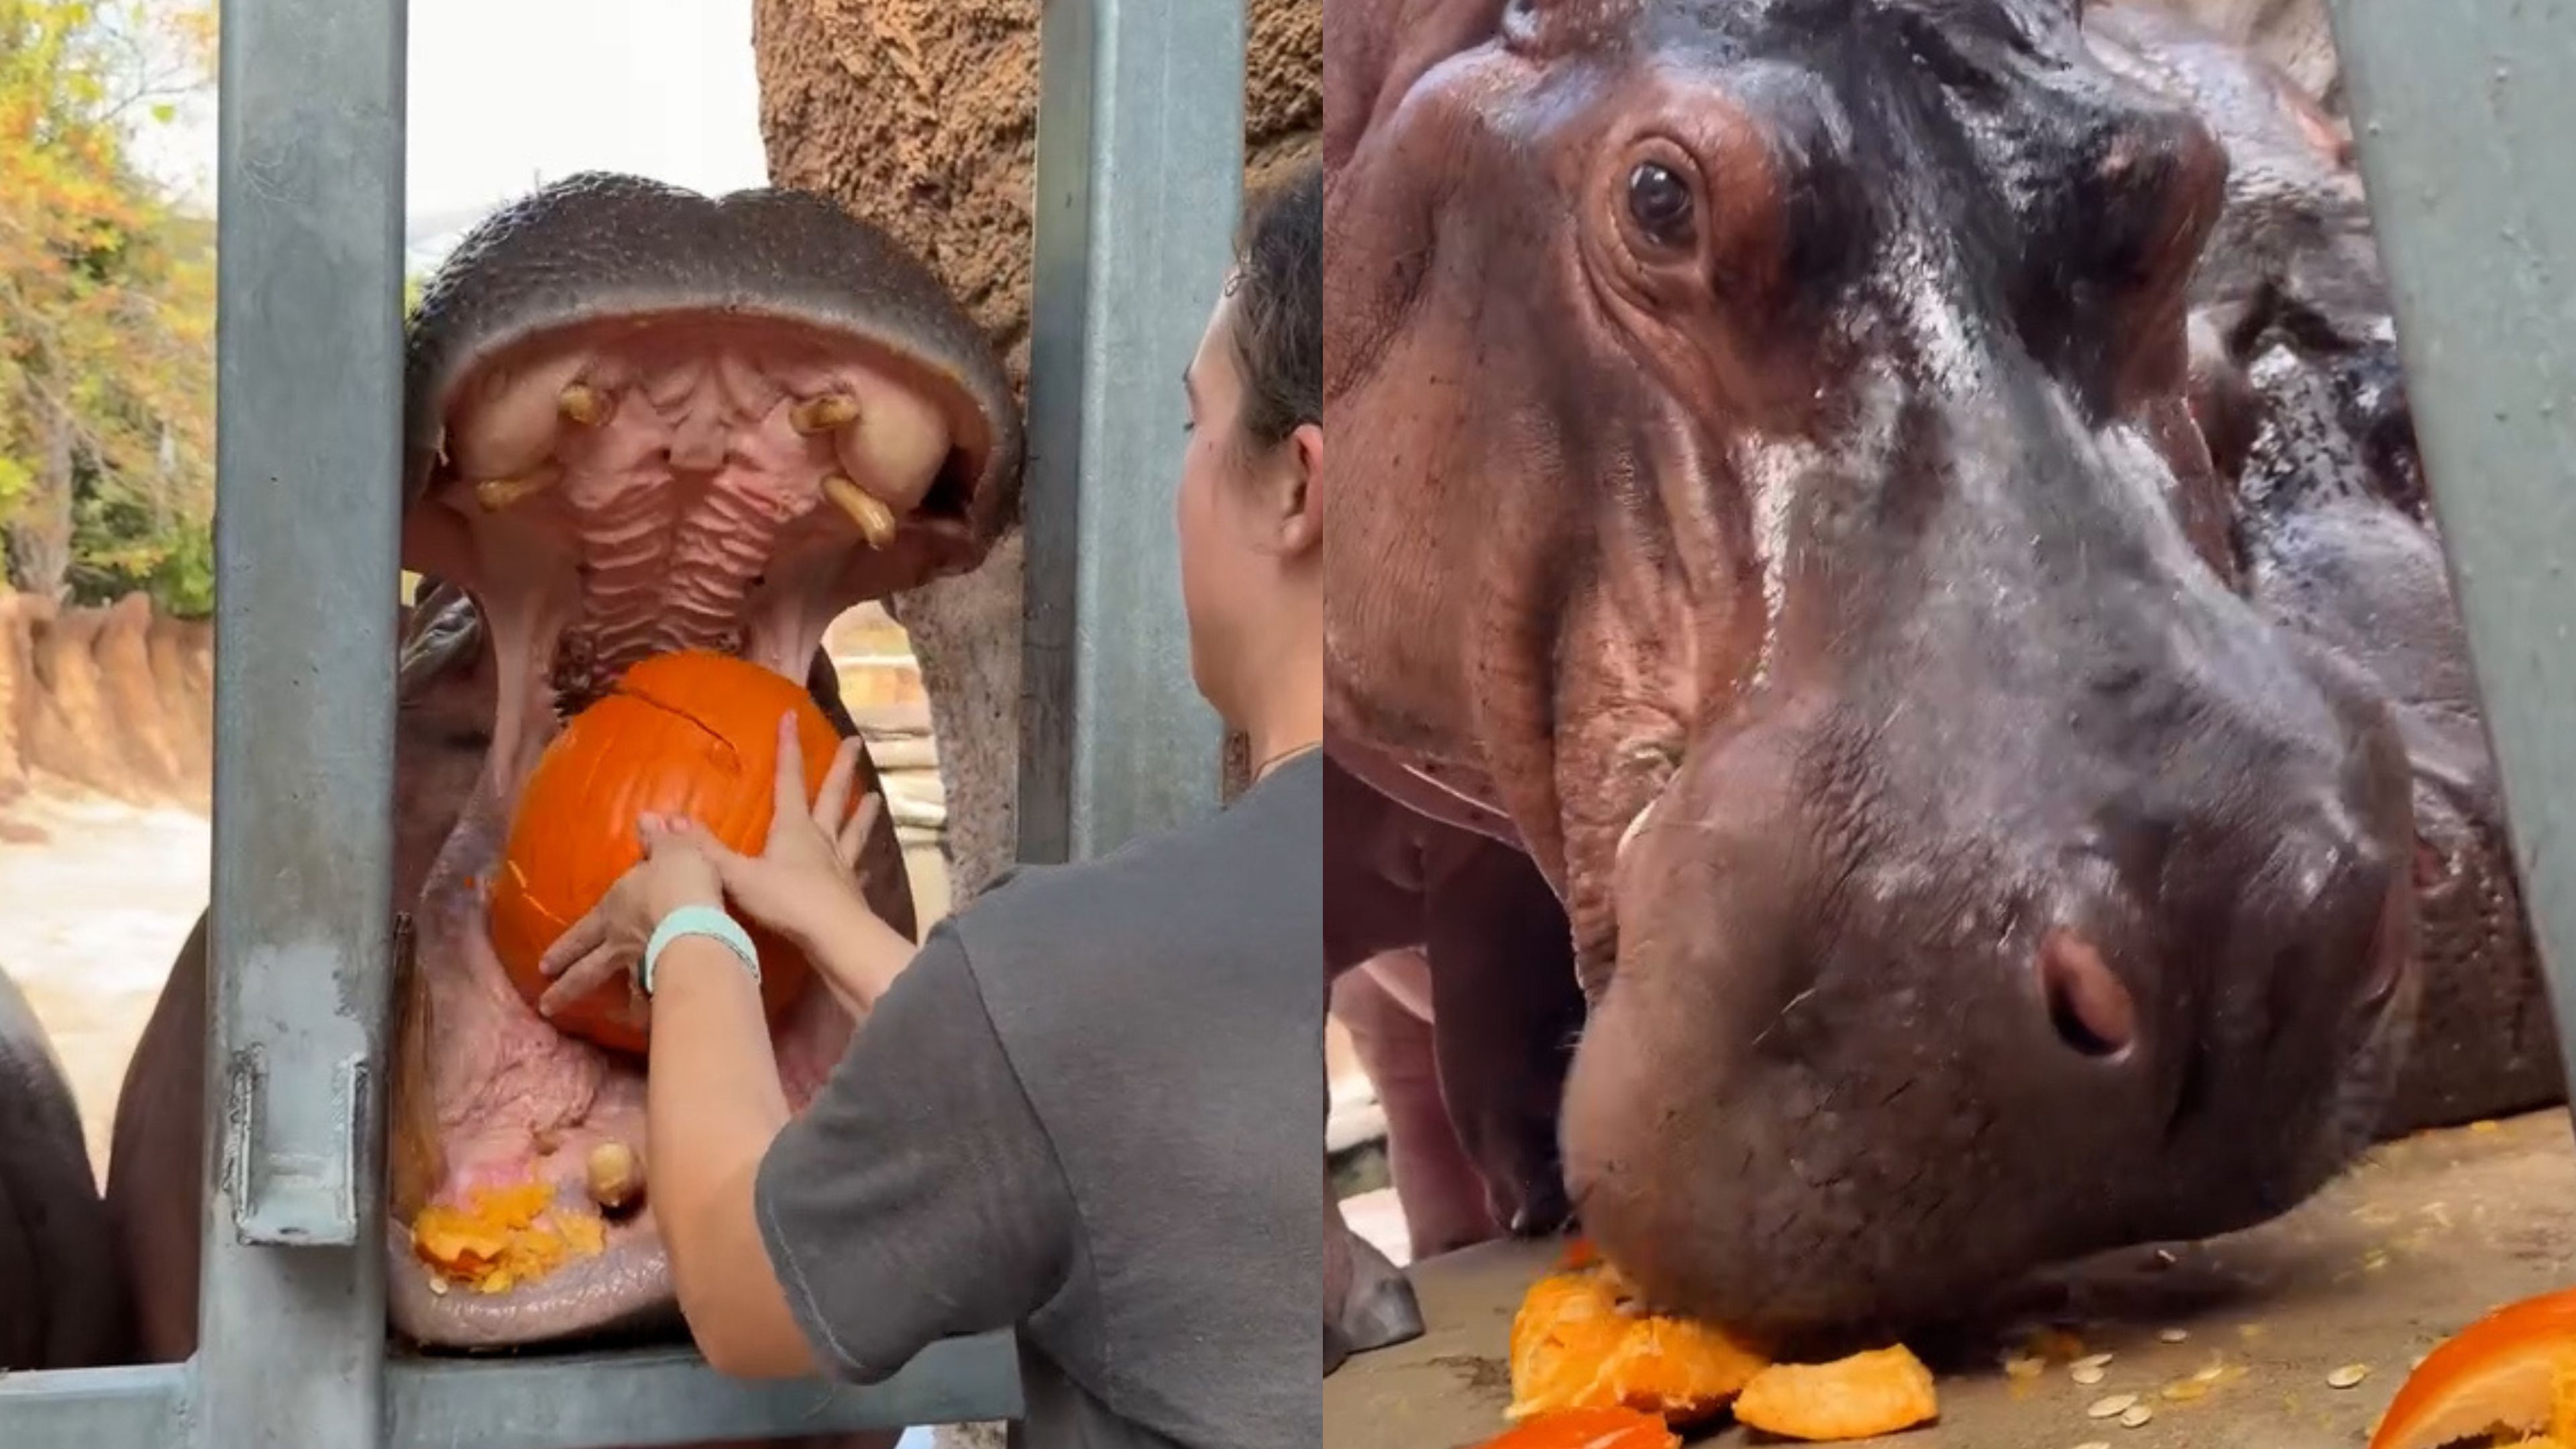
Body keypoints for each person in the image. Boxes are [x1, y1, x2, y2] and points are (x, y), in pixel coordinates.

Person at [532, 159, 1325, 1449]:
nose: (1178, 489)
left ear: (1298, 487)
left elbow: (741, 1293)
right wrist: (836, 926)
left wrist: (691, 933)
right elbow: (1105, 1091)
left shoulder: (1101, 956)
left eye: (1193, 427)